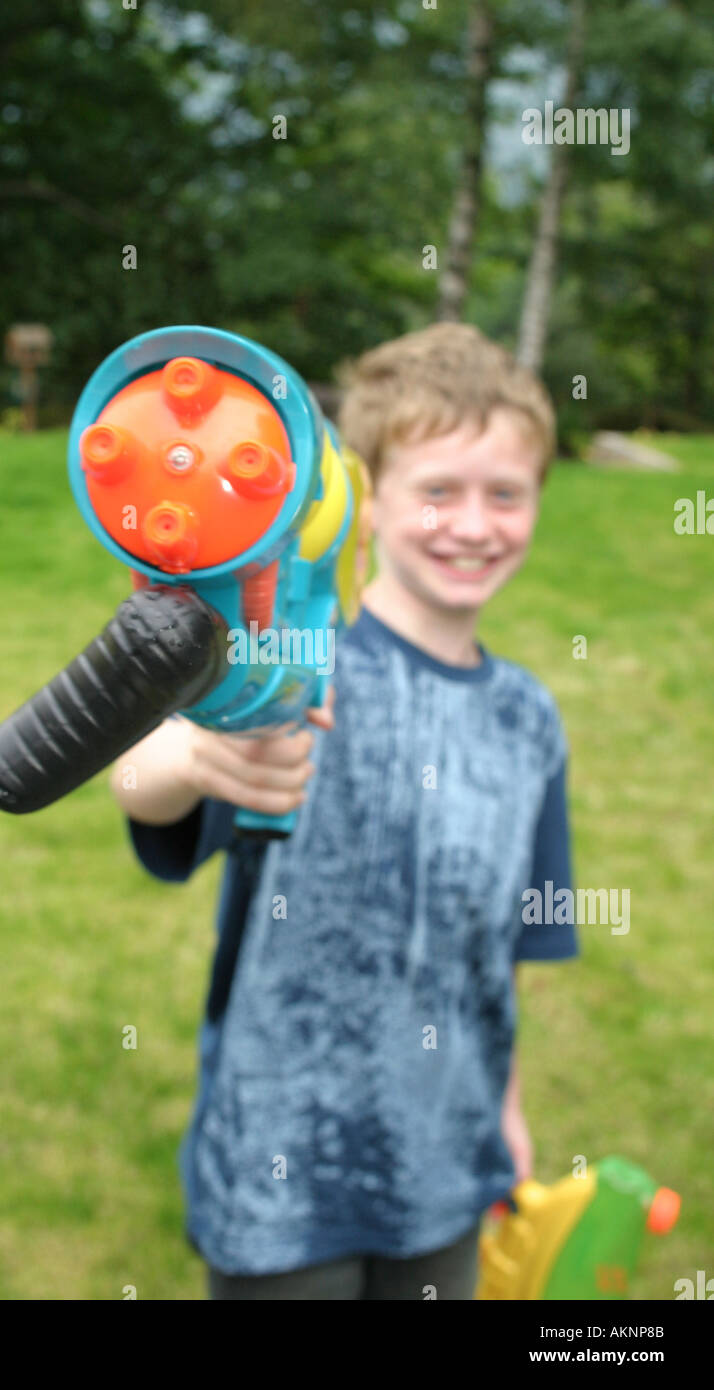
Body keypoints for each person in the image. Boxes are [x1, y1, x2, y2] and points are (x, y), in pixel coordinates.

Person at [111, 322, 579, 1300]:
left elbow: (503, 952)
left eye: (504, 492)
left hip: (445, 1163)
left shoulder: (528, 718)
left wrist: (505, 1113)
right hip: (280, 1168)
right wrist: (200, 750)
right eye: (437, 490)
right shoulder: (291, 669)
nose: (472, 522)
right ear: (363, 502)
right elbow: (143, 775)